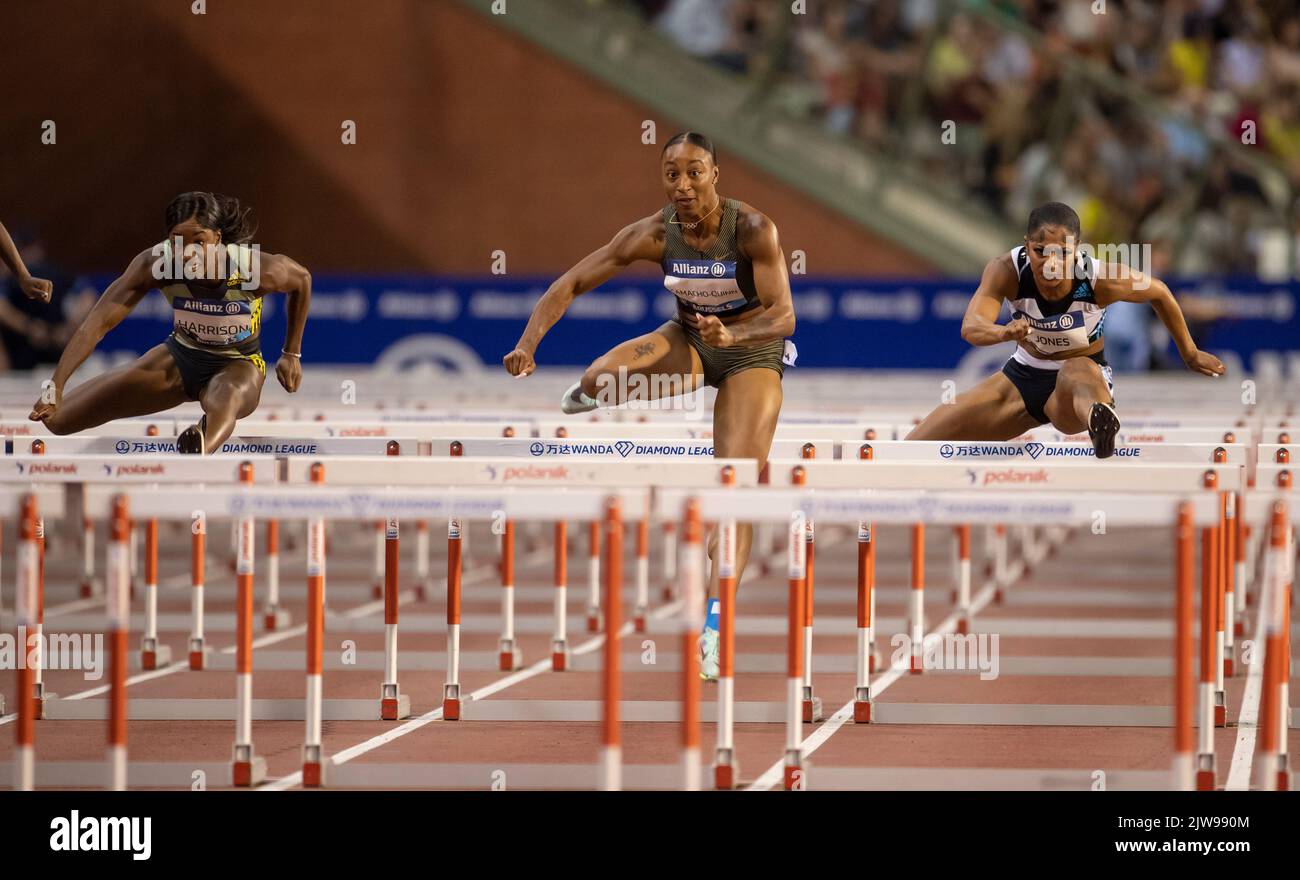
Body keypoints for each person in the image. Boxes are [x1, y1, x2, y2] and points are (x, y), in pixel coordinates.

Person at [502, 132, 797, 679]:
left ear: (715, 174)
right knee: (601, 378)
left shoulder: (754, 229)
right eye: (671, 174)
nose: (682, 185)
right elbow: (570, 283)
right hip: (689, 342)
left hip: (751, 354)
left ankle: (716, 624)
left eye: (694, 173)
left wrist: (735, 337)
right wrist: (527, 343)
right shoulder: (655, 233)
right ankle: (591, 393)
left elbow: (784, 316)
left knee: (734, 483)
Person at [907, 202, 1224, 454]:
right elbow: (971, 326)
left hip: (1079, 383)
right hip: (1021, 377)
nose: (1051, 263)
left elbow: (1160, 293)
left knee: (1074, 371)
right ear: (1026, 246)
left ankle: (1099, 422)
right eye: (1040, 252)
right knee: (918, 441)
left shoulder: (1099, 278)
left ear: (1078, 250)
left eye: (1062, 253)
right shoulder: (1006, 270)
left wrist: (1190, 352)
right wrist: (1003, 333)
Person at [28, 192, 311, 453]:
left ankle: (200, 446)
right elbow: (95, 326)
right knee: (59, 421)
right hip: (179, 359)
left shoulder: (253, 268)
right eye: (179, 240)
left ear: (217, 238)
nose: (188, 252)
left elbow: (302, 280)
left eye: (199, 241)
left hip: (239, 364)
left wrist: (291, 353)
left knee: (226, 395)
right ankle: (199, 439)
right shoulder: (155, 265)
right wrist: (56, 386)